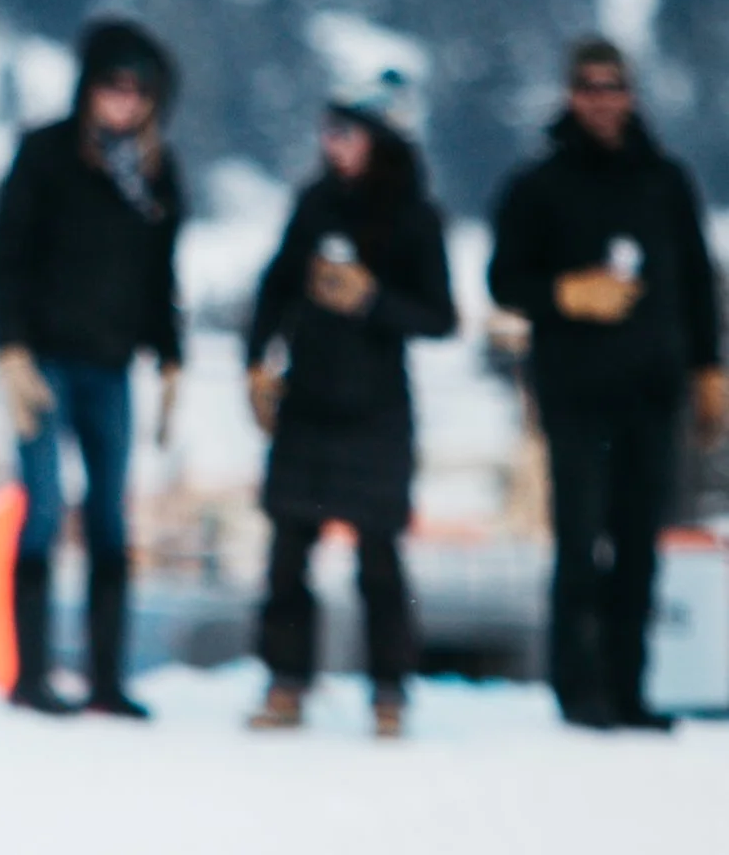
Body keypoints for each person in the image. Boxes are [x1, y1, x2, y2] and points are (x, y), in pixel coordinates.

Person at [488, 37, 726, 730]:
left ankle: (629, 690)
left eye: (613, 85)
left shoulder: (666, 180)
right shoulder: (539, 185)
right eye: (589, 85)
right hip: (575, 395)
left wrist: (708, 370)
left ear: (631, 93)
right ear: (570, 94)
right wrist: (563, 294)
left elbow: (695, 283)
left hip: (652, 393)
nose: (602, 97)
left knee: (637, 547)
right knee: (579, 545)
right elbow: (503, 280)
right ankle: (577, 689)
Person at [0, 15, 185, 720]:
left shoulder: (156, 177)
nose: (124, 101)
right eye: (113, 86)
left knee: (109, 516)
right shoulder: (45, 156)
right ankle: (30, 675)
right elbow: (5, 255)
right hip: (43, 362)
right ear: (89, 88)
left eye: (139, 90)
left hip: (111, 366)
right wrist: (9, 348)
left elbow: (161, 277)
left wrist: (171, 357)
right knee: (40, 506)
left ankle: (106, 679)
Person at [244, 83, 457, 738]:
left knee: (381, 562)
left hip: (377, 411)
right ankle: (286, 684)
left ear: (379, 140)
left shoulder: (415, 216)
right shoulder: (314, 204)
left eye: (347, 132)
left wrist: (372, 299)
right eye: (328, 130)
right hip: (308, 401)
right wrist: (256, 362)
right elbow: (276, 285)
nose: (333, 144)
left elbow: (440, 316)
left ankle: (389, 691)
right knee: (286, 555)